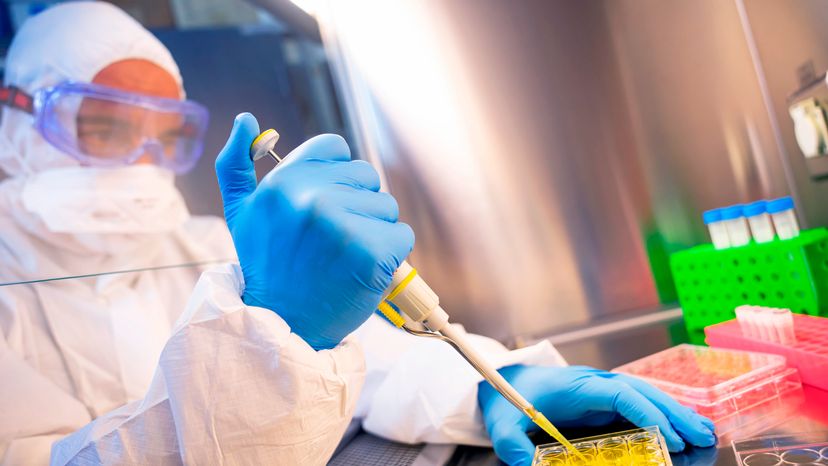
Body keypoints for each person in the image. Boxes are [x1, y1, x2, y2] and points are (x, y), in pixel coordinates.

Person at [0, 3, 716, 466]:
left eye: (165, 136)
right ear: (17, 108)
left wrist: (497, 384)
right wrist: (266, 340)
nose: (140, 162)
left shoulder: (205, 240)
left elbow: (364, 360)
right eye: (102, 124)